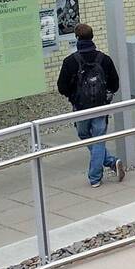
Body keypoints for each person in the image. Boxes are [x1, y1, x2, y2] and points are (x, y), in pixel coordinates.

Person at [56, 22, 126, 187]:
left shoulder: (70, 62)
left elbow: (62, 87)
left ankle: (95, 178)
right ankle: (111, 161)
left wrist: (73, 96)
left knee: (84, 135)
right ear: (92, 37)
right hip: (100, 106)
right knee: (98, 139)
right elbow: (115, 84)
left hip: (80, 108)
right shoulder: (104, 59)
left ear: (77, 38)